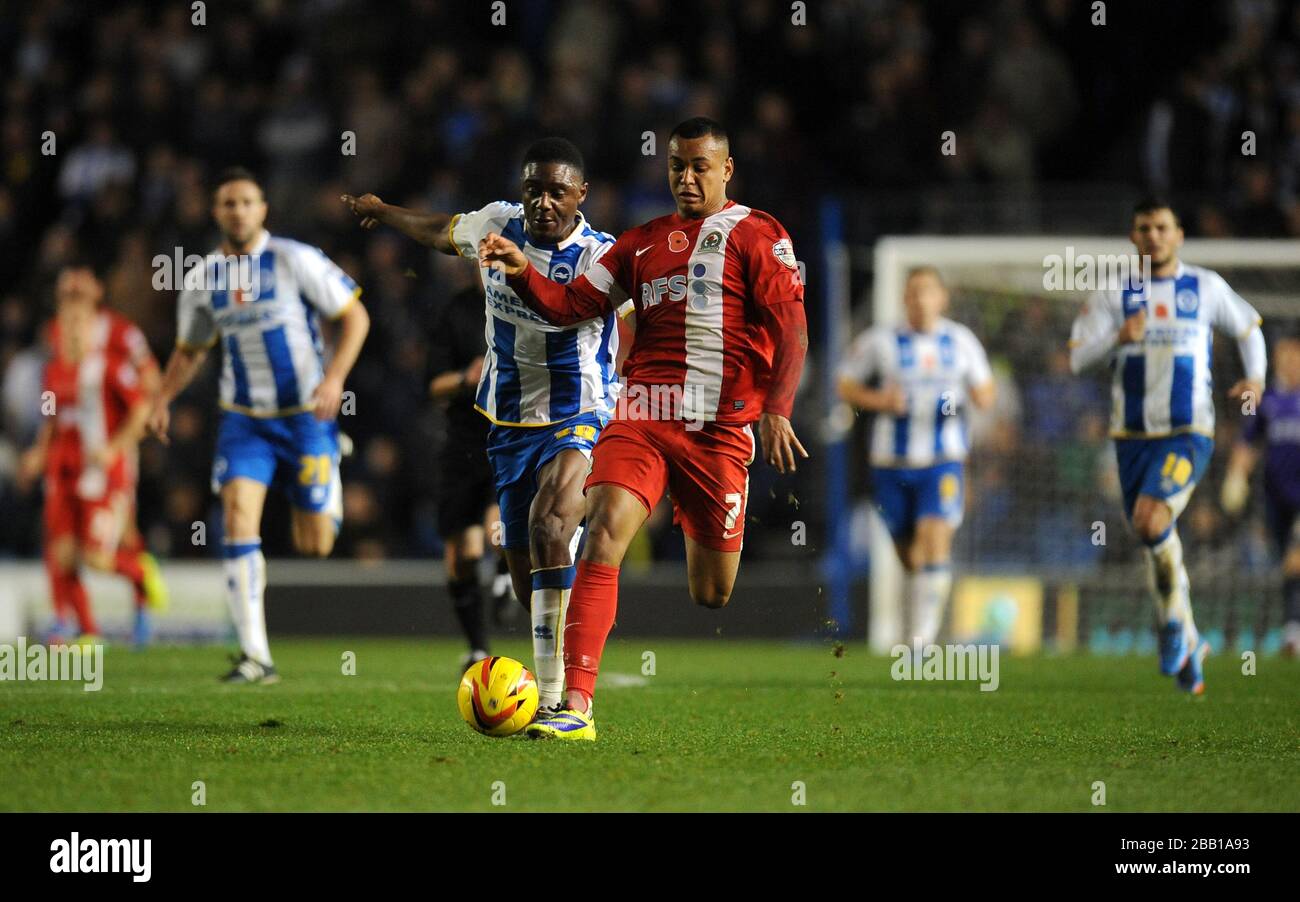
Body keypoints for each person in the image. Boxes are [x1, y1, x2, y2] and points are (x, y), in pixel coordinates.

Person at [478, 117, 808, 740]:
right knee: (601, 531)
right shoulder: (638, 244)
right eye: (677, 166)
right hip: (643, 414)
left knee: (712, 593)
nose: (686, 177)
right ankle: (573, 705)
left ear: (726, 169)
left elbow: (791, 325)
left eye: (699, 167)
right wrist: (524, 270)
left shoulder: (759, 235)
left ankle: (574, 685)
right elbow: (570, 304)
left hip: (718, 431)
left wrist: (778, 407)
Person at [342, 138, 624, 715]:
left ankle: (560, 703)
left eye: (558, 192)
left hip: (580, 412)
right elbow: (443, 231)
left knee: (549, 525)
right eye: (534, 190)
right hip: (506, 420)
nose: (544, 202)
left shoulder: (601, 257)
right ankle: (559, 597)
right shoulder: (497, 223)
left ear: (581, 196)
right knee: (527, 582)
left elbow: (600, 313)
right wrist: (388, 213)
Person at [148, 167, 371, 684]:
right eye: (228, 203)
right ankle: (255, 656)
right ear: (215, 212)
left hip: (306, 418)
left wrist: (334, 379)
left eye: (247, 201)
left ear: (263, 209)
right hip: (244, 421)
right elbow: (190, 349)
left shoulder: (295, 260)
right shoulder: (203, 277)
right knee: (236, 515)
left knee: (315, 542)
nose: (238, 211)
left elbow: (355, 316)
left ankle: (330, 460)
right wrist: (161, 398)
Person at [1069, 198, 1266, 694]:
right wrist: (1117, 337)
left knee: (1152, 520)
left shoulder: (1205, 286)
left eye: (1162, 227)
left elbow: (1249, 327)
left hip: (1188, 431)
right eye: (1144, 228)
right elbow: (1077, 361)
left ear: (1179, 234)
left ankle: (1174, 628)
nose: (1154, 235)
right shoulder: (1114, 293)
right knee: (1152, 534)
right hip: (1131, 437)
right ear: (1133, 238)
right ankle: (1185, 634)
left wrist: (1256, 379)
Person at [836, 266, 996, 644]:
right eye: (914, 292)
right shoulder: (881, 341)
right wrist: (879, 400)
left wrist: (970, 399)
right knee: (910, 556)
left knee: (934, 538)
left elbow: (986, 392)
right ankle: (920, 620)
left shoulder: (961, 341)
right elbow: (844, 383)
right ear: (904, 299)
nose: (921, 299)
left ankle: (920, 642)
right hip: (891, 464)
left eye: (928, 291)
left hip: (943, 462)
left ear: (942, 298)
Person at [18, 262, 167, 646]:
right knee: (62, 551)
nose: (69, 325)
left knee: (101, 553)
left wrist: (119, 445)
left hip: (102, 466)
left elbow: (141, 398)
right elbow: (49, 410)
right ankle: (81, 627)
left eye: (79, 309)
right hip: (63, 466)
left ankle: (139, 583)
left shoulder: (113, 356)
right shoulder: (53, 366)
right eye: (66, 304)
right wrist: (39, 450)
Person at [427, 283, 511, 669]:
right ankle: (478, 647)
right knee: (462, 553)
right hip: (462, 442)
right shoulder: (455, 311)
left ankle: (507, 574)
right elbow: (432, 385)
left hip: (511, 433)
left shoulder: (527, 298)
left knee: (497, 529)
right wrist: (466, 377)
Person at [1221, 334, 1300, 655]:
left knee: (1296, 561)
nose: (1288, 364)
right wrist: (1235, 476)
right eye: (1282, 358)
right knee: (1285, 564)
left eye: (1293, 357)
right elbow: (1247, 443)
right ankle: (1292, 629)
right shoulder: (1268, 402)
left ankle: (1293, 634)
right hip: (1277, 500)